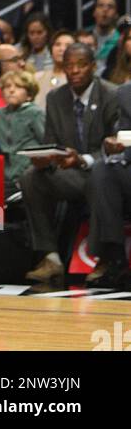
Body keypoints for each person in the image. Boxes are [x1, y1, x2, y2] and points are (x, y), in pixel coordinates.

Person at [20, 43, 120, 285]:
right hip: (69, 172)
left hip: (105, 171)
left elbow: (117, 143)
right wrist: (46, 158)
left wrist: (84, 160)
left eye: (81, 65)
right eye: (69, 66)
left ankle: (105, 258)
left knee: (100, 176)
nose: (75, 71)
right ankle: (50, 258)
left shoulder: (111, 94)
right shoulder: (56, 97)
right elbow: (50, 142)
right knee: (30, 177)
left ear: (93, 67)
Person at [85, 80, 131, 288]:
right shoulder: (125, 93)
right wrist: (113, 145)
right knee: (102, 171)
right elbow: (123, 134)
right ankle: (114, 256)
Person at [0, 69, 46, 196]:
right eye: (7, 86)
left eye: (18, 86)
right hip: (5, 175)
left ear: (29, 94)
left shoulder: (35, 113)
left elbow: (46, 142)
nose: (11, 90)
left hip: (31, 172)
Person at [34, 28, 75, 109]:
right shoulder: (37, 77)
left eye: (68, 45)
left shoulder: (77, 80)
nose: (61, 49)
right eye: (57, 44)